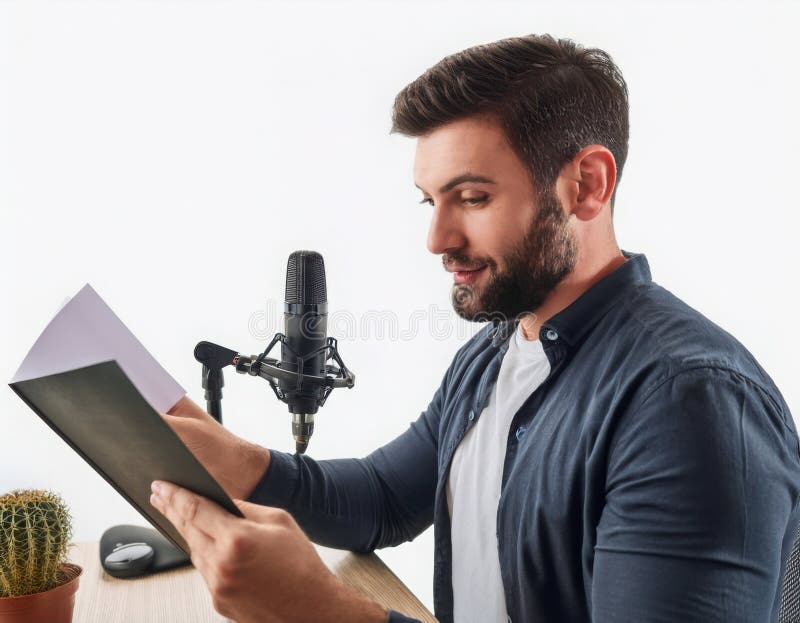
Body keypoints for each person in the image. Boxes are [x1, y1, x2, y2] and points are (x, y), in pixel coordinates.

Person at [149, 33, 800, 623]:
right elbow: (382, 499)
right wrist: (237, 461)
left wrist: (321, 612)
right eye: (431, 201)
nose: (437, 238)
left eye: (473, 197)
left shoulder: (688, 402)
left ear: (588, 185)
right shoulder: (492, 356)